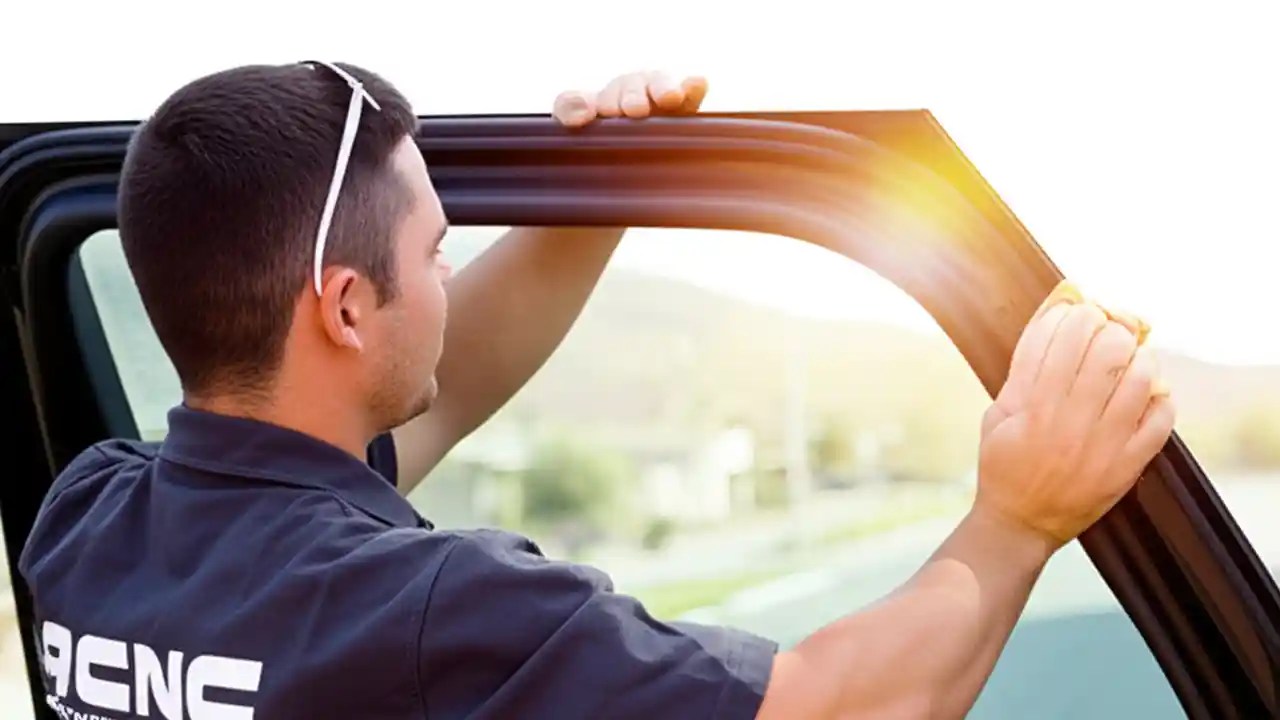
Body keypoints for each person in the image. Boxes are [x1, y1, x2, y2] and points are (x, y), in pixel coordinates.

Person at [17, 61, 1175, 720]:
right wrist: (1016, 521)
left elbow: (436, 388)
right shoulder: (434, 612)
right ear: (347, 309)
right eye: (434, 251)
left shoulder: (88, 519)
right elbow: (828, 705)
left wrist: (598, 197)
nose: (448, 279)